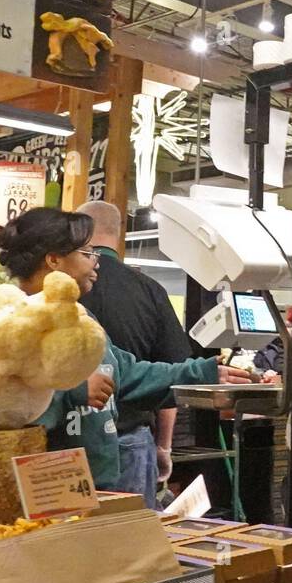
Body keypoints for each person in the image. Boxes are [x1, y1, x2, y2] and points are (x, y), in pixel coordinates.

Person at [0, 207, 250, 491]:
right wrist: (72, 390)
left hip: (98, 483)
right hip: (47, 488)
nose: (97, 263)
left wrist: (202, 374)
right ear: (54, 259)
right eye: (87, 253)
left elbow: (126, 374)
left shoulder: (81, 318)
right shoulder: (11, 321)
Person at [75, 200, 193, 509]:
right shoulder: (148, 289)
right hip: (130, 441)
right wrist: (164, 447)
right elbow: (169, 377)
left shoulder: (58, 295)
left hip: (67, 448)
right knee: (135, 548)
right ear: (119, 232)